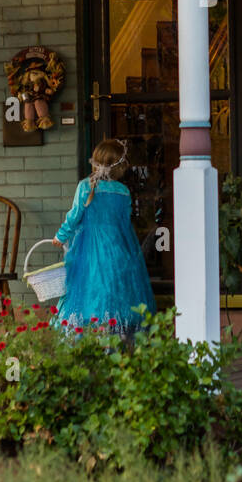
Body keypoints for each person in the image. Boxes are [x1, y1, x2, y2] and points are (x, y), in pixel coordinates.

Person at [51, 139, 156, 336]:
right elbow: (124, 222)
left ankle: (90, 331)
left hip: (89, 250)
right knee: (115, 287)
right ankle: (115, 330)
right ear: (120, 166)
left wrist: (60, 236)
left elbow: (74, 217)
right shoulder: (123, 192)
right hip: (118, 247)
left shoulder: (85, 187)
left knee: (90, 288)